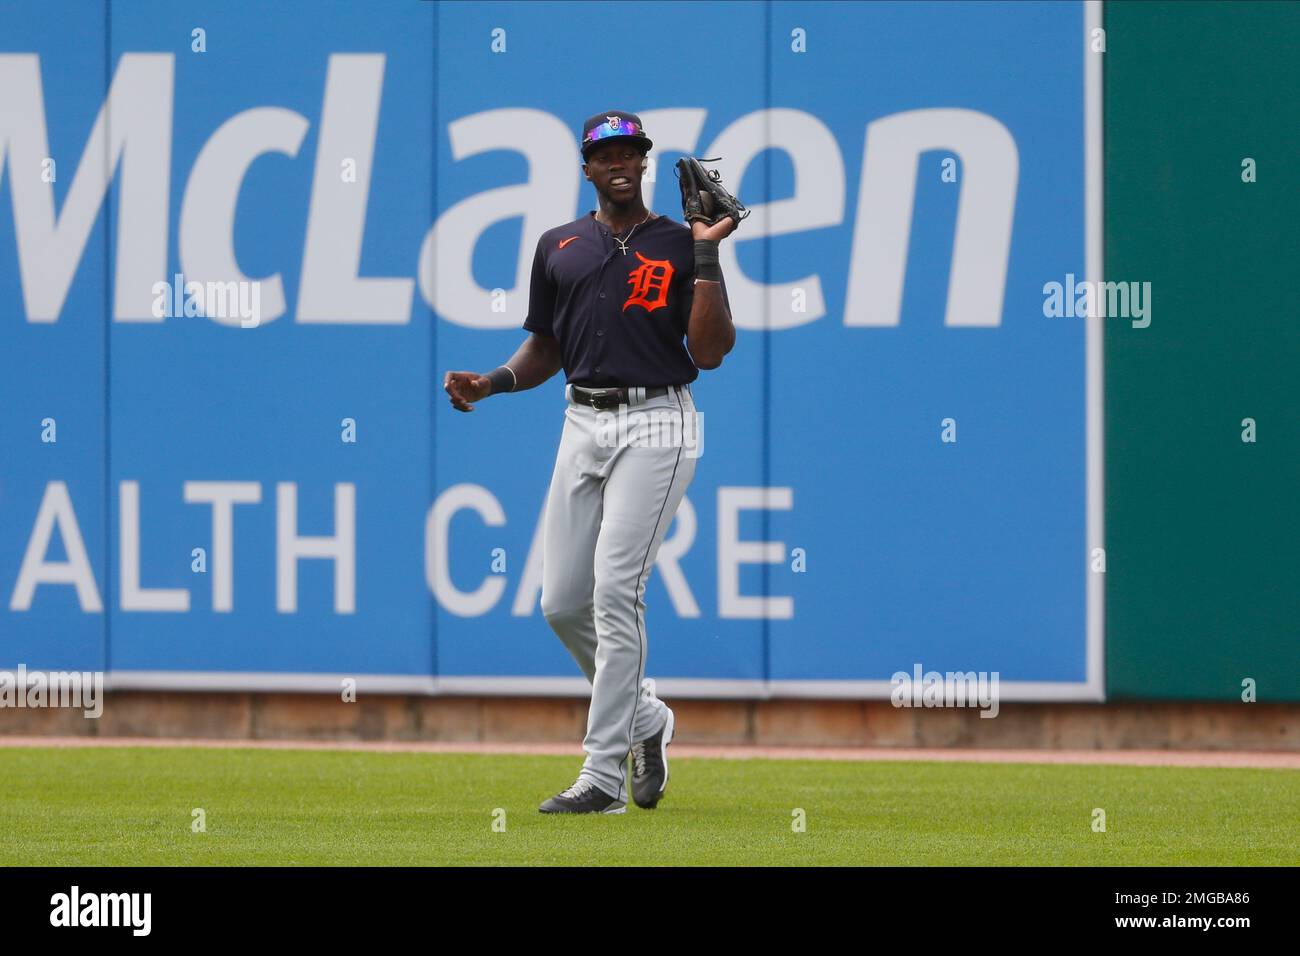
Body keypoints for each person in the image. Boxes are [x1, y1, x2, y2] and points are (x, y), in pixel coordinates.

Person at [443, 110, 736, 813]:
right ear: (586, 167)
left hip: (659, 419)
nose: (621, 163)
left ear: (644, 161)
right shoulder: (560, 245)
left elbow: (712, 352)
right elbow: (545, 346)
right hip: (581, 419)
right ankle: (645, 719)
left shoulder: (677, 241)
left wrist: (706, 256)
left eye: (631, 151)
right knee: (562, 602)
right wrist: (493, 381)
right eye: (607, 153)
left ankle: (601, 776)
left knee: (614, 591)